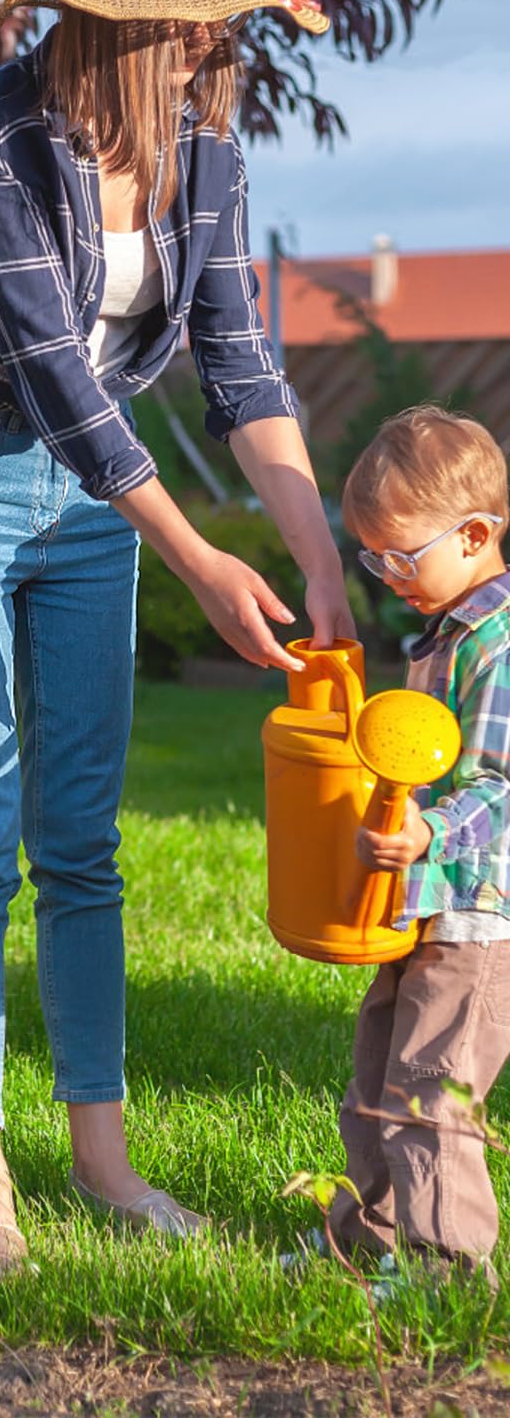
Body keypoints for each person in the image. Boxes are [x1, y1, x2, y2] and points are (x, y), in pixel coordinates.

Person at [0, 0, 354, 1273]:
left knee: (80, 846)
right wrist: (207, 563)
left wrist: (312, 559)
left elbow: (239, 362)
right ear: (121, 20)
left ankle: (104, 1166)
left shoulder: (212, 150)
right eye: (195, 16)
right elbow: (59, 389)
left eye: (222, 13)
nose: (217, 39)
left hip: (97, 513)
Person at [328, 407, 510, 1278]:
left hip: (478, 920)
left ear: (475, 534)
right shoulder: (442, 630)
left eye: (402, 556)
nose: (388, 574)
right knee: (377, 1080)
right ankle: (368, 1247)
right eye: (374, 557)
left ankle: (449, 1272)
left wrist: (429, 830)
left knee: (432, 1092)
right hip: (424, 907)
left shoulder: (498, 644)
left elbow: (502, 787)